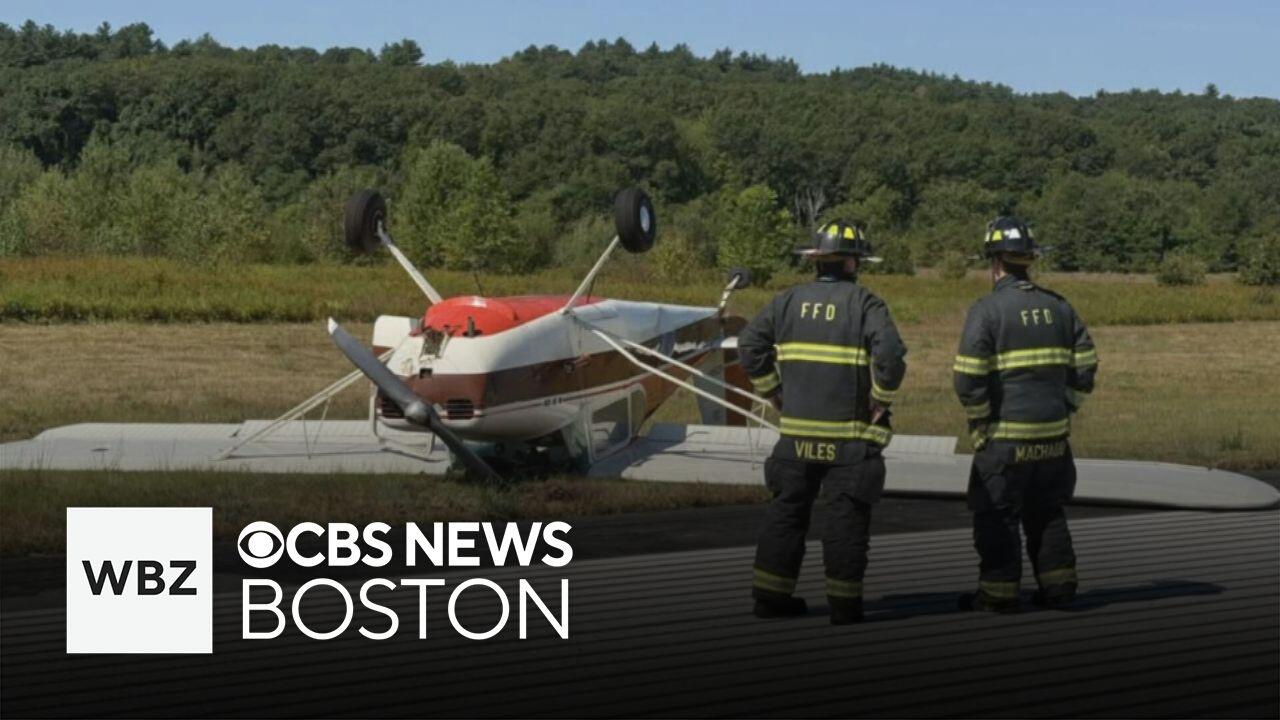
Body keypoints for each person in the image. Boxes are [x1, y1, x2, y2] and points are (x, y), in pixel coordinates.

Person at [739, 220, 907, 625]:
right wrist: (881, 400)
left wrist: (772, 392)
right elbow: (891, 357)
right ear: (852, 263)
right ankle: (844, 606)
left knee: (786, 515)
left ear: (815, 260)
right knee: (845, 519)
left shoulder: (787, 301)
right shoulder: (866, 304)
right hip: (848, 442)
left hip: (794, 438)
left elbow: (749, 345)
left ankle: (770, 598)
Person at [952, 216, 1099, 612]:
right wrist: (1065, 406)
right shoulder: (1059, 307)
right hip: (1052, 439)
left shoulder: (987, 310)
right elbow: (1085, 368)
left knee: (996, 514)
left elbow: (967, 379)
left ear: (995, 263)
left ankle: (998, 594)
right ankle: (1059, 588)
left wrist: (981, 421)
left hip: (1004, 441)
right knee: (1047, 513)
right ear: (1028, 260)